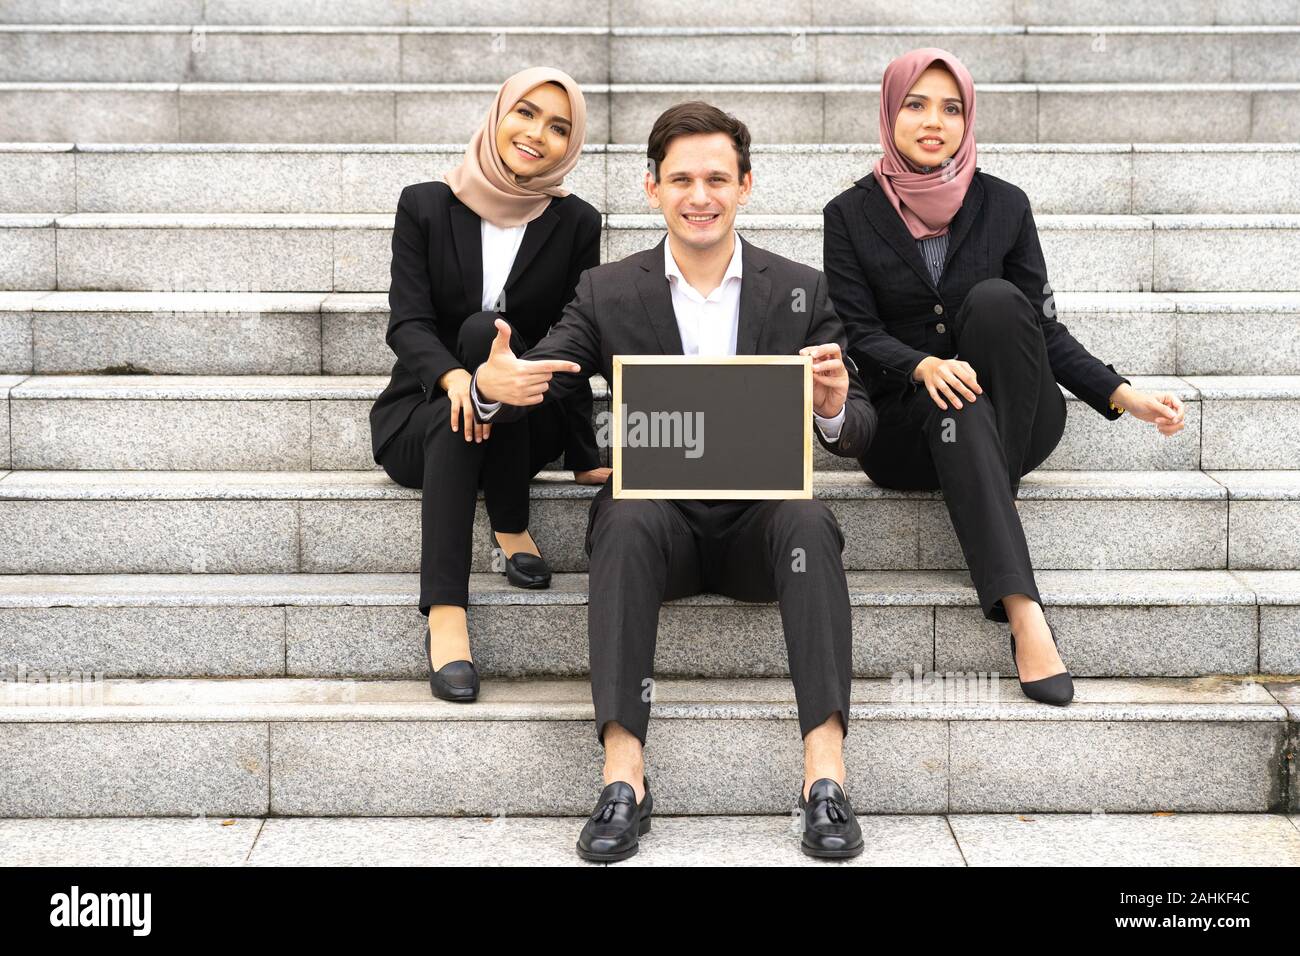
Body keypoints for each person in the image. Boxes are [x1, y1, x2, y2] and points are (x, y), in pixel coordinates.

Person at [472, 101, 879, 862]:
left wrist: (830, 408)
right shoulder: (608, 290)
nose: (701, 195)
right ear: (652, 187)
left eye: (718, 178)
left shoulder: (799, 290)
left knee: (810, 520)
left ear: (747, 186)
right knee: (622, 512)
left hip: (762, 531)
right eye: (683, 178)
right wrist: (497, 384)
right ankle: (624, 776)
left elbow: (859, 424)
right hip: (659, 532)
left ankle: (825, 776)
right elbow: (548, 369)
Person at [822, 49, 1186, 707]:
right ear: (889, 111)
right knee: (953, 404)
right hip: (907, 430)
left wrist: (1124, 393)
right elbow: (856, 332)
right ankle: (1025, 615)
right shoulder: (848, 215)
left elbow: (1040, 327)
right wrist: (922, 364)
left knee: (995, 301)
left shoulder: (1005, 205)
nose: (934, 122)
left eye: (951, 108)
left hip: (1018, 418)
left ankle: (999, 479)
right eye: (917, 104)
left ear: (968, 118)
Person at [368, 67, 611, 704]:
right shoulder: (424, 204)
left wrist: (584, 453)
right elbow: (409, 323)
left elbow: (577, 335)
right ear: (498, 114)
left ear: (572, 143)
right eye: (525, 113)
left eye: (560, 127)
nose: (538, 134)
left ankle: (486, 550)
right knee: (470, 363)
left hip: (522, 424)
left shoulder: (577, 222)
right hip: (420, 415)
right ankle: (458, 597)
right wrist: (455, 380)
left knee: (490, 342)